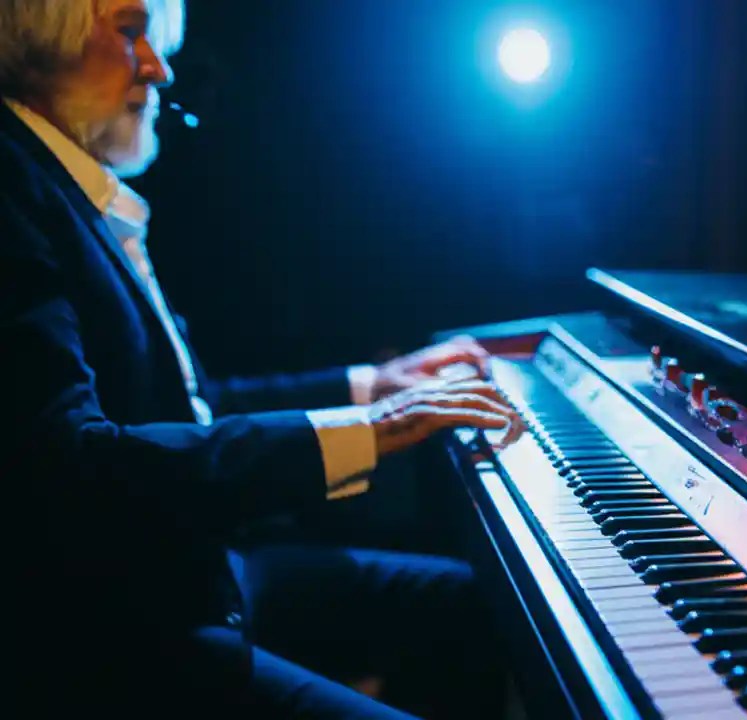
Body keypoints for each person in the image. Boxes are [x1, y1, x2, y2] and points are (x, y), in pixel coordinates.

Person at [0, 1, 523, 717]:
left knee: (490, 607)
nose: (158, 67)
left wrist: (372, 387)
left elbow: (186, 404)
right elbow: (71, 467)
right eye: (129, 34)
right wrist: (366, 432)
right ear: (32, 34)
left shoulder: (56, 178)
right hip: (114, 639)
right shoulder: (10, 187)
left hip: (200, 572)